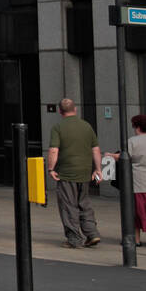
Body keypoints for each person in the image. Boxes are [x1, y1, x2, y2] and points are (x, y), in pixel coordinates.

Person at [47, 97, 102, 248]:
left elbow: (53, 150)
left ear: (60, 111)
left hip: (66, 173)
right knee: (84, 203)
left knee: (68, 206)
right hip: (84, 172)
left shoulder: (58, 127)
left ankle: (74, 239)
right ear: (75, 109)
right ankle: (92, 233)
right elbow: (96, 149)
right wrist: (98, 169)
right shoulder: (86, 126)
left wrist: (51, 168)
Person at [104, 114, 146, 248]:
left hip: (138, 184)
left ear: (137, 127)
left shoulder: (132, 142)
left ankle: (136, 240)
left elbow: (123, 157)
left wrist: (109, 156)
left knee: (135, 214)